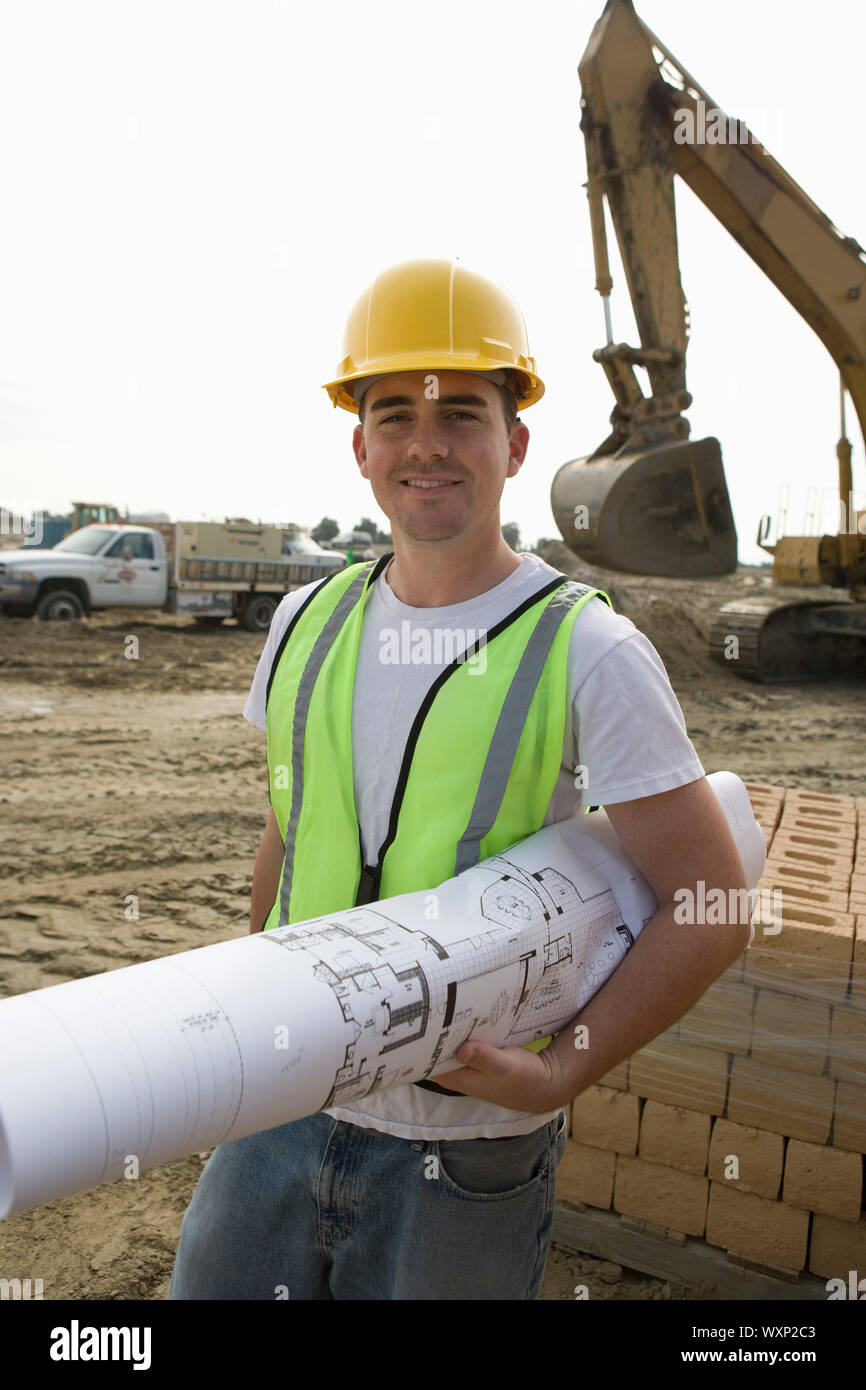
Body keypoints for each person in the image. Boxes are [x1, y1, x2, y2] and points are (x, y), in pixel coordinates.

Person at [168, 258, 749, 1301]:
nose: (425, 442)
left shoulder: (588, 648)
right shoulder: (306, 621)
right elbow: (289, 833)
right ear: (359, 446)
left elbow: (708, 905)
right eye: (394, 413)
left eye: (461, 414)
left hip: (466, 1147)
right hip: (282, 1107)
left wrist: (562, 1068)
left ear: (514, 442)